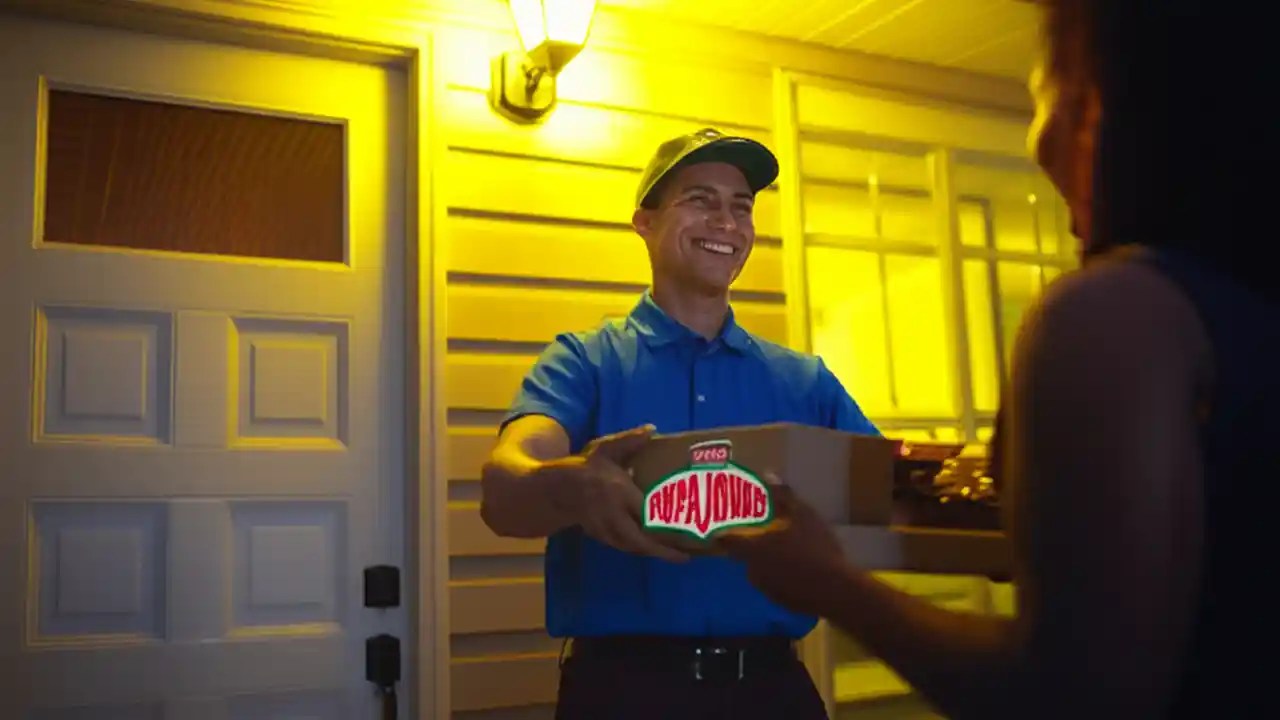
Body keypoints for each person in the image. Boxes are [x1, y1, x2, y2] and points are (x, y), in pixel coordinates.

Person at [719, 1, 1277, 718]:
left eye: (1041, 85)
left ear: (1098, 104)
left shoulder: (1111, 315)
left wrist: (824, 580)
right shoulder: (1242, 312)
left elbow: (1070, 698)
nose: (1036, 137)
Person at [479, 128, 881, 720]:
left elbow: (887, 495)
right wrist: (569, 483)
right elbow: (503, 487)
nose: (726, 221)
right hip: (622, 694)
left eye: (741, 207)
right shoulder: (585, 361)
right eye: (700, 200)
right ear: (644, 221)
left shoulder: (805, 381)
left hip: (774, 690)